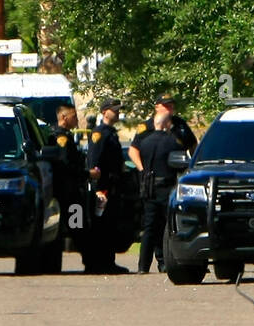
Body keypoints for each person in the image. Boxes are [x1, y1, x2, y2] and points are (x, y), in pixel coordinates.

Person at [84, 98, 130, 274]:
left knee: (109, 224)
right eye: (114, 110)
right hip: (103, 186)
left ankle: (107, 261)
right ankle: (97, 262)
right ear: (104, 112)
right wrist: (96, 188)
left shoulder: (110, 132)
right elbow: (94, 162)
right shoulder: (99, 133)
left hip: (112, 185)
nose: (118, 112)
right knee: (100, 225)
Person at [135, 114, 180, 273]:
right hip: (166, 186)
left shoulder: (144, 143)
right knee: (169, 226)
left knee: (149, 228)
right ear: (167, 124)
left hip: (149, 188)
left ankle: (143, 266)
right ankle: (170, 261)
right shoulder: (172, 141)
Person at [48, 105, 85, 268]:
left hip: (67, 190)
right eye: (74, 116)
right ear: (64, 117)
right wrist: (87, 174)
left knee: (74, 226)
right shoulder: (60, 138)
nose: (76, 119)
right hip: (68, 192)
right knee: (77, 225)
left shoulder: (63, 135)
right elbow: (66, 166)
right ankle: (91, 261)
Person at [129, 94, 197, 170]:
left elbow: (193, 146)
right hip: (153, 173)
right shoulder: (147, 127)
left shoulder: (180, 124)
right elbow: (133, 150)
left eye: (171, 106)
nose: (169, 109)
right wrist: (142, 169)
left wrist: (193, 166)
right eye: (166, 106)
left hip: (177, 172)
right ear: (157, 107)